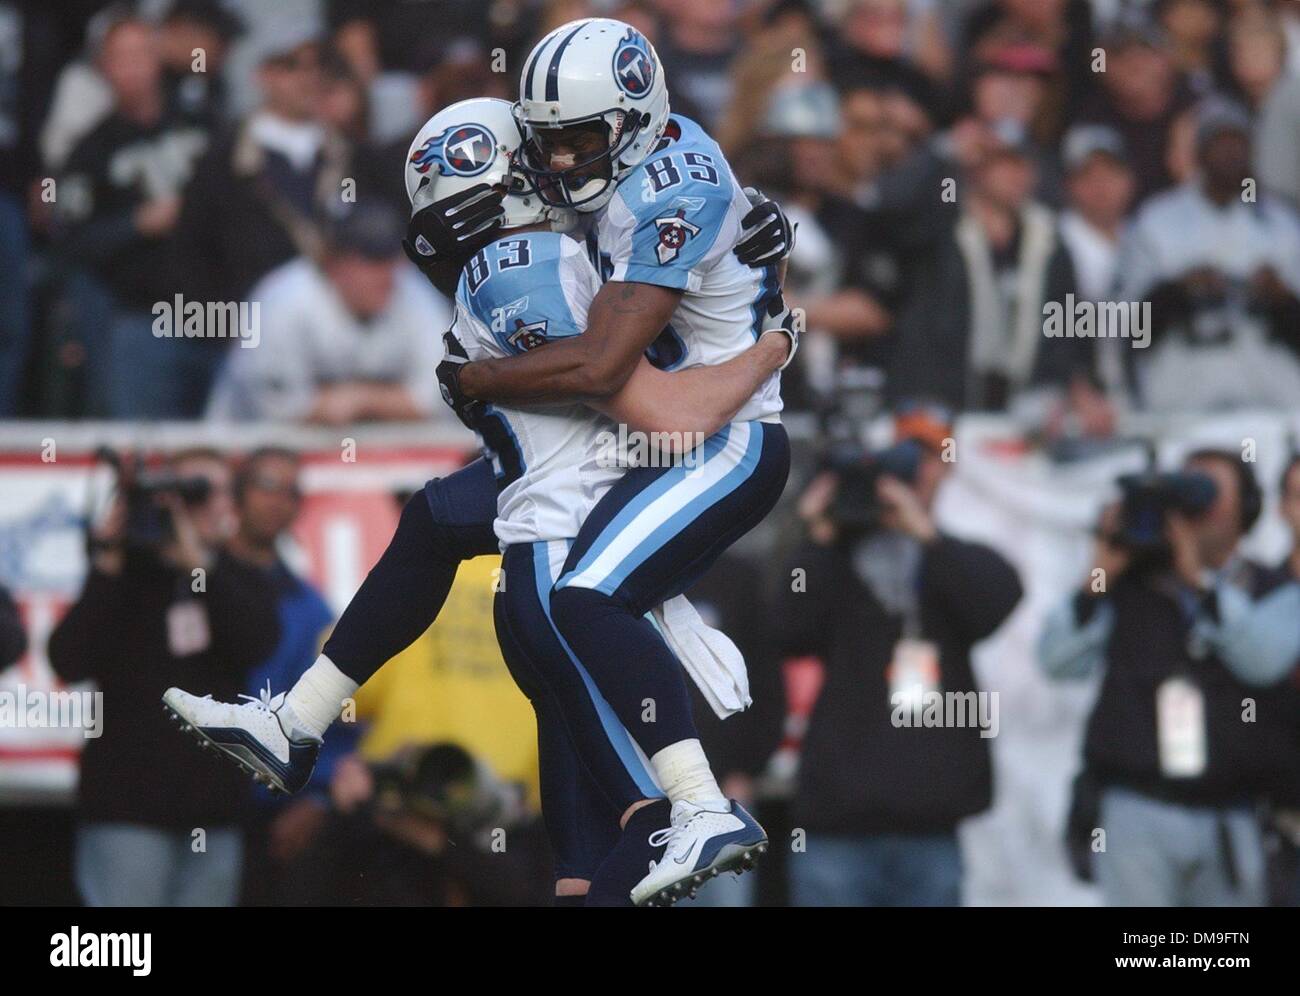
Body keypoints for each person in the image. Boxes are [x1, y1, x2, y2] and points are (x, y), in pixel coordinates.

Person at [165, 80, 796, 908]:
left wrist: (742, 253)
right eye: (552, 153)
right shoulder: (543, 263)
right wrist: (774, 339)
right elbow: (653, 399)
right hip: (565, 515)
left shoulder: (521, 263)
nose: (567, 169)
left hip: (545, 519)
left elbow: (635, 323)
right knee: (637, 804)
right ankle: (700, 802)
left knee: (433, 523)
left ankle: (298, 722)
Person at [775, 406, 1022, 906]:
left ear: (948, 468)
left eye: (930, 458)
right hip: (836, 828)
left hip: (929, 827)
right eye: (907, 458)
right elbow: (786, 628)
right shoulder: (836, 560)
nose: (918, 472)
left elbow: (996, 603)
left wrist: (924, 535)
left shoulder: (951, 561)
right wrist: (818, 535)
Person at [1038, 449, 1300, 906]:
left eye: (1210, 492)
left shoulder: (1272, 589)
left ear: (1246, 509)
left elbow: (1261, 658)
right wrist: (1100, 574)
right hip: (1137, 809)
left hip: (1231, 817)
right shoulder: (1132, 585)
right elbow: (1058, 661)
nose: (1195, 507)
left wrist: (1198, 580)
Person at [49, 448, 279, 906]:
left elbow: (258, 642)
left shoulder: (234, 574)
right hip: (128, 812)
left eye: (205, 491)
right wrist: (110, 558)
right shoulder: (128, 577)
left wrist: (198, 565)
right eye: (185, 491)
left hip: (213, 812)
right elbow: (67, 659)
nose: (194, 505)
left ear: (227, 504)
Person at [205, 201, 451, 424]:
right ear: (333, 263)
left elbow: (438, 398)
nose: (385, 275)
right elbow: (272, 406)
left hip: (377, 455)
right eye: (370, 260)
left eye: (391, 259)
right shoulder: (283, 299)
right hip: (247, 449)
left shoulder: (416, 295)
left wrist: (360, 399)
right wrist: (388, 402)